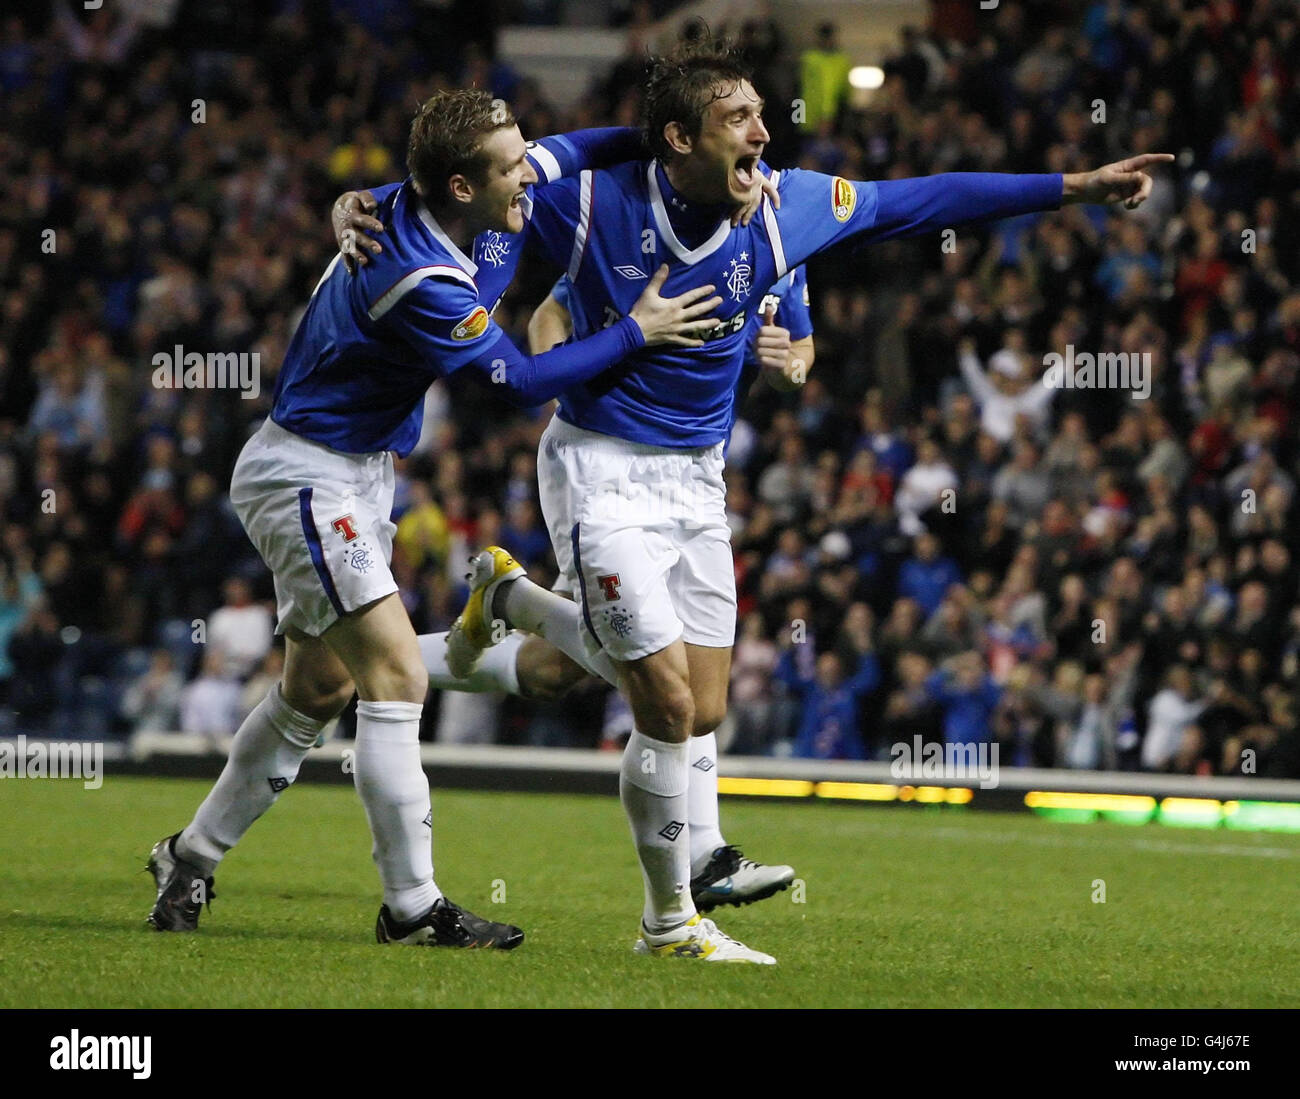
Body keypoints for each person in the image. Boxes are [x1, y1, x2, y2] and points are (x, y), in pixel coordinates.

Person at [339, 33, 1169, 964]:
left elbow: (928, 197)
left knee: (701, 705)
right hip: (601, 471)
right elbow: (466, 201)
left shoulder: (787, 210)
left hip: (699, 479)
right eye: (739, 119)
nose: (764, 135)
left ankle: (518, 604)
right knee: (661, 703)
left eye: (762, 116)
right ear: (678, 139)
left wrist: (1073, 187)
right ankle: (671, 922)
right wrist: (363, 205)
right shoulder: (586, 202)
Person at [144, 90, 728, 951]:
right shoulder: (414, 270)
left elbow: (598, 145)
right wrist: (638, 331)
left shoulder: (449, 198)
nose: (530, 169)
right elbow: (521, 384)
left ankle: (187, 857)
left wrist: (676, 142)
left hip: (358, 473)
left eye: (526, 152)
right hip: (308, 476)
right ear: (460, 187)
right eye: (509, 164)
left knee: (317, 689)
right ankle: (411, 907)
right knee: (395, 681)